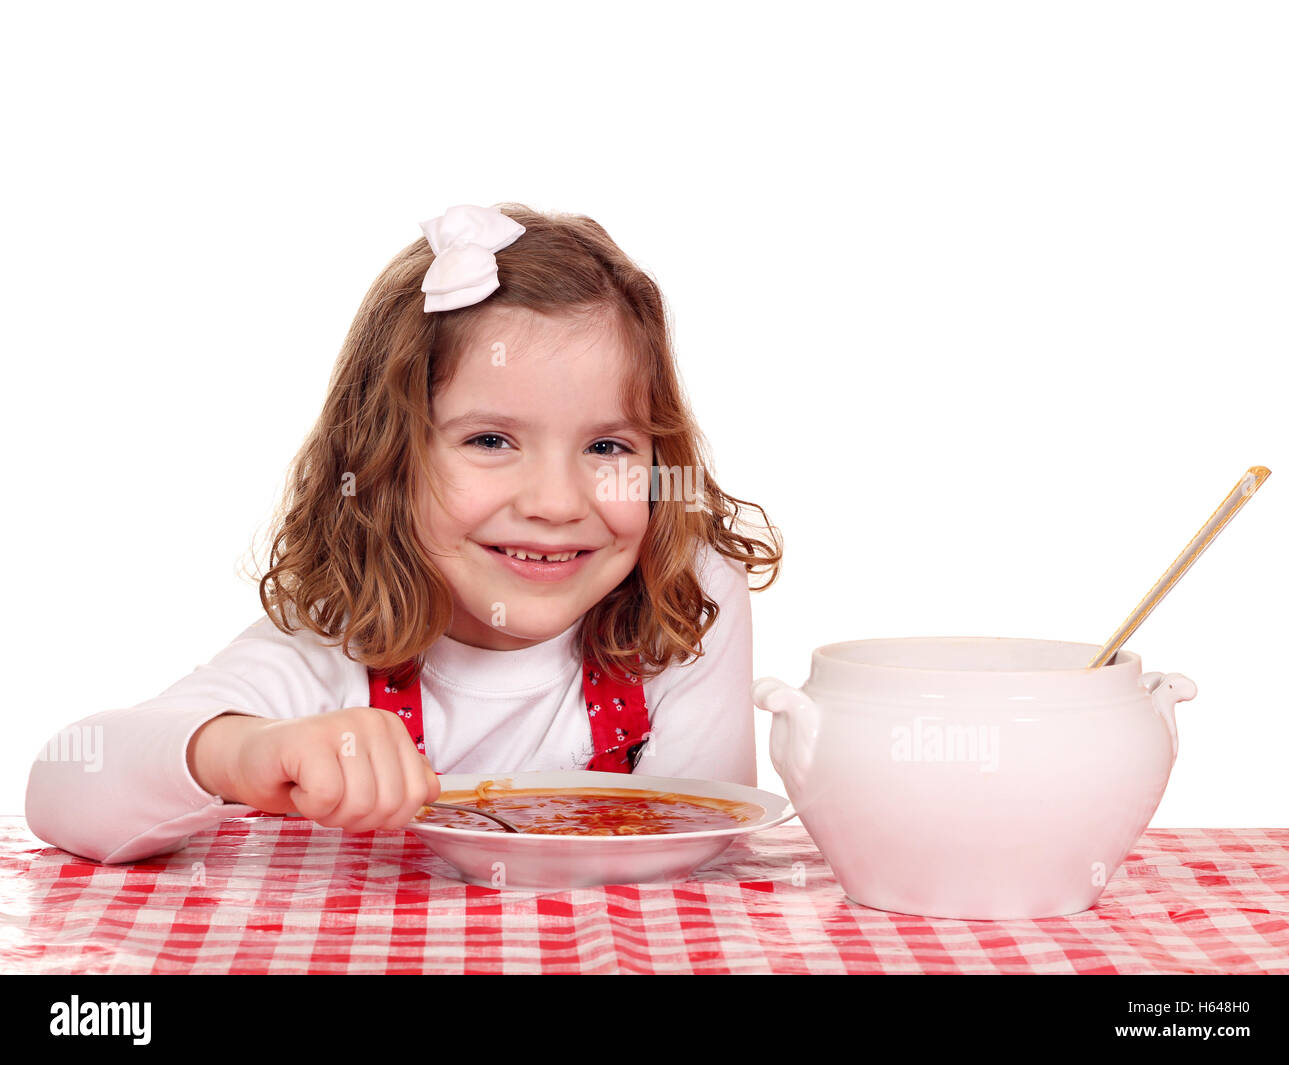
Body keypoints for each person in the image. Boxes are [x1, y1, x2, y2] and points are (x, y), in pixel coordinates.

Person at [25, 203, 782, 864]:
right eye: (490, 441)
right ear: (386, 462)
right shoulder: (338, 642)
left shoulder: (684, 597)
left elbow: (705, 842)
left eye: (607, 447)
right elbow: (65, 784)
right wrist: (243, 752)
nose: (557, 503)